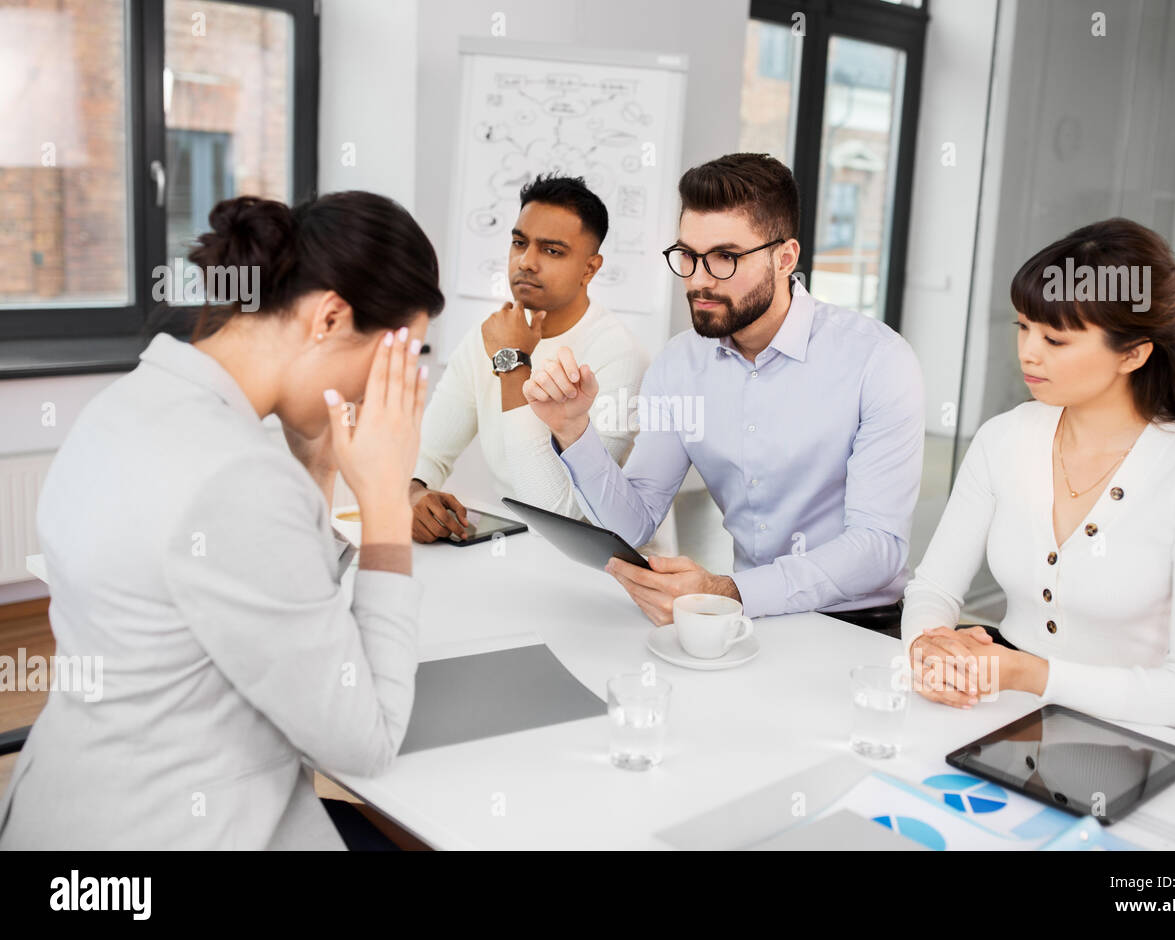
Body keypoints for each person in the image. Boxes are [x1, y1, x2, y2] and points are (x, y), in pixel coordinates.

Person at [0, 191, 441, 849]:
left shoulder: (129, 402)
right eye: (394, 361)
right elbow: (364, 741)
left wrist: (315, 467)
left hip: (67, 803)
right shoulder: (236, 476)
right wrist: (383, 507)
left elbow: (274, 607)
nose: (377, 393)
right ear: (329, 317)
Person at [523, 153, 925, 630]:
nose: (698, 280)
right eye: (688, 255)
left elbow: (878, 547)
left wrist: (730, 591)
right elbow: (635, 522)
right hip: (748, 619)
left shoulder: (877, 360)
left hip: (857, 623)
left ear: (785, 258)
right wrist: (573, 430)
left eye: (725, 258)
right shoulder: (679, 365)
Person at [902, 217, 1175, 732]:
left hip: (1130, 739)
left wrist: (1029, 674)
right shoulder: (1005, 437)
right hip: (1001, 716)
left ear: (1133, 353)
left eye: (1055, 340)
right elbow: (933, 588)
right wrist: (927, 647)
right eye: (1023, 327)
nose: (1028, 351)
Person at [408, 174, 649, 541]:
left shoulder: (619, 355)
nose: (526, 262)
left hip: (597, 558)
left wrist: (512, 363)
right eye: (519, 243)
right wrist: (414, 493)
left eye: (552, 251)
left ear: (590, 268)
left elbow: (559, 515)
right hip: (513, 545)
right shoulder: (486, 337)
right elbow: (429, 453)